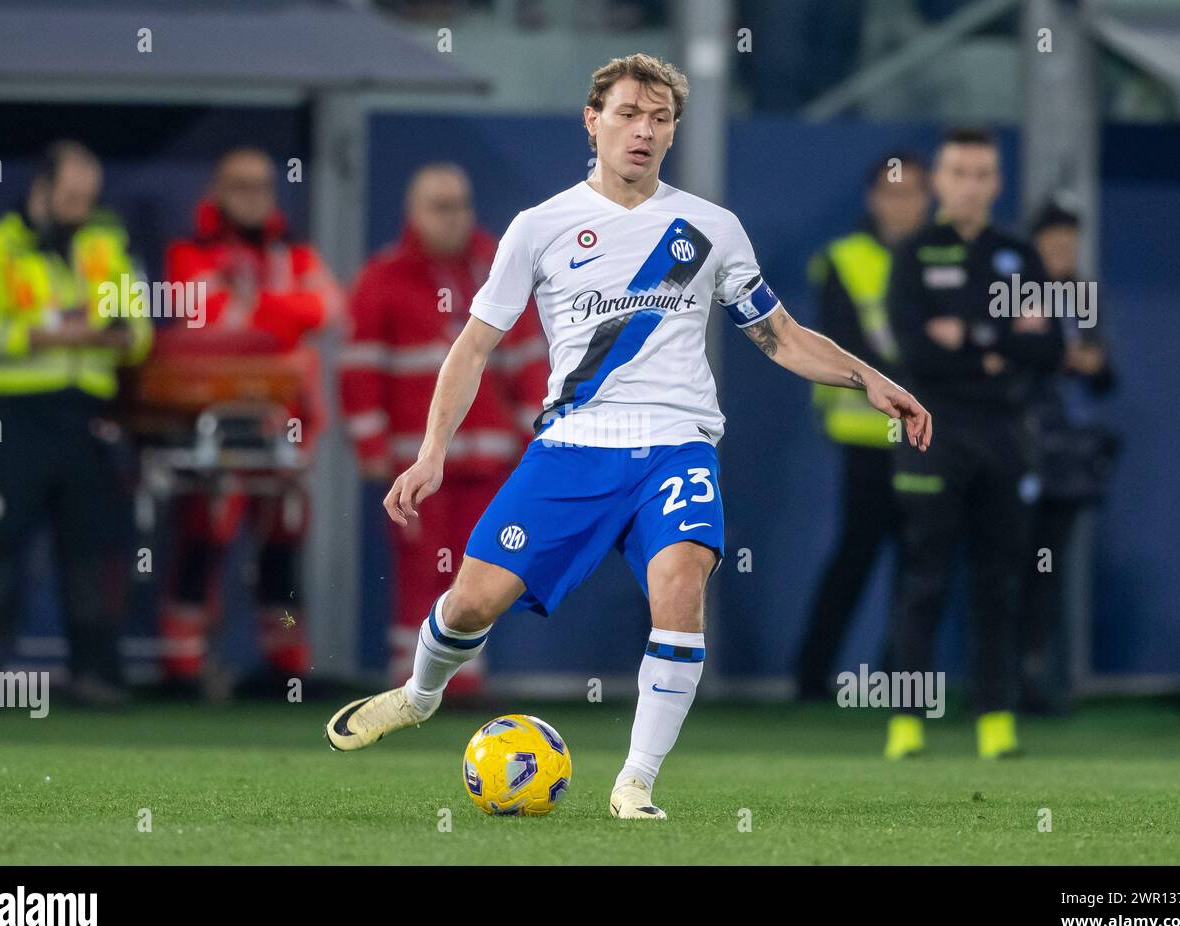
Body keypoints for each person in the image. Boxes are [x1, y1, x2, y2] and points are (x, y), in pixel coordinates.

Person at [325, 53, 932, 819]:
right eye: (627, 114)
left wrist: (867, 377)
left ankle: (635, 781)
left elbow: (779, 335)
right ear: (593, 121)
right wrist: (430, 453)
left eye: (659, 119)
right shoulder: (538, 227)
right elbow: (473, 346)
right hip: (574, 445)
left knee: (680, 589)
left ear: (673, 131)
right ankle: (418, 696)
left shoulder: (709, 228)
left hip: (677, 445)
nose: (643, 131)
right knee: (473, 603)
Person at [0, 140, 152, 703]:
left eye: (88, 197)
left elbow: (139, 330)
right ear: (41, 188)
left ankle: (96, 674)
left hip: (85, 417)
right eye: (70, 196)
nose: (80, 208)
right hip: (13, 415)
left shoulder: (105, 247)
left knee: (91, 546)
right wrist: (38, 336)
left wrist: (107, 334)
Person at [884, 128, 1064, 760]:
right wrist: (999, 338)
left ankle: (996, 723)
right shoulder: (913, 253)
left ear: (997, 182)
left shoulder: (1019, 253)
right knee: (923, 579)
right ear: (938, 179)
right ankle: (906, 724)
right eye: (959, 171)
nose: (970, 184)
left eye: (983, 173)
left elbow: (1051, 347)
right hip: (933, 432)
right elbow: (912, 350)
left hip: (1004, 435)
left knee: (998, 582)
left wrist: (969, 335)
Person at [340, 163, 548, 694]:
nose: (454, 218)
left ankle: (459, 684)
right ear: (414, 214)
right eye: (441, 206)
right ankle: (408, 684)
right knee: (417, 571)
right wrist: (370, 444)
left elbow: (528, 363)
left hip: (489, 462)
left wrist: (538, 442)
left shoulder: (495, 269)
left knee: (475, 572)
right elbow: (360, 370)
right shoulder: (383, 279)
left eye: (461, 204)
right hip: (416, 466)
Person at [157, 147, 341, 689]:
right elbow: (210, 321)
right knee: (204, 539)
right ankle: (182, 666)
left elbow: (330, 309)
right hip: (212, 426)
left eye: (261, 185)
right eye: (239, 185)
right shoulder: (190, 253)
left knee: (282, 550)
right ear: (216, 190)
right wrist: (281, 314)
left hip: (285, 427)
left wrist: (255, 307)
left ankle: (286, 666)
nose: (253, 196)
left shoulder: (294, 252)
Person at [795, 151, 929, 699]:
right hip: (867, 438)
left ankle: (901, 679)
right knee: (857, 554)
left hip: (927, 438)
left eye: (915, 193)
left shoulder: (942, 257)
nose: (904, 205)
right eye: (894, 193)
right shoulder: (844, 260)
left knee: (921, 562)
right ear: (874, 199)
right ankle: (810, 677)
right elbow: (846, 346)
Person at [1017, 201, 1117, 714]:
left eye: (1069, 245)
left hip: (1071, 458)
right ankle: (997, 682)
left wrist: (1089, 363)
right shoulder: (1010, 294)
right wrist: (1058, 356)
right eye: (1052, 244)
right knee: (1004, 566)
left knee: (1047, 569)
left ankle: (1035, 675)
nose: (1062, 254)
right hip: (1021, 453)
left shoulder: (1083, 297)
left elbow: (1104, 376)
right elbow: (1006, 364)